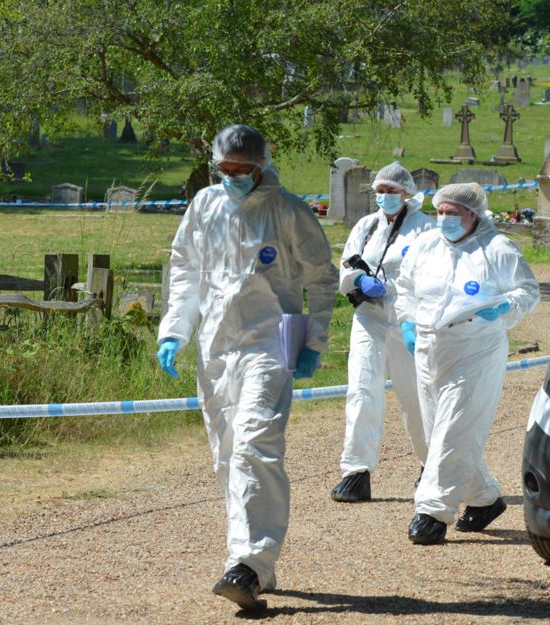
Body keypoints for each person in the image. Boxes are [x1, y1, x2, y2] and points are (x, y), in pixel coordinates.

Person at [155, 124, 338, 609]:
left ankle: (250, 563)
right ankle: (254, 562)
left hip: (272, 342)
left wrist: (313, 342)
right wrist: (175, 329)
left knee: (256, 444)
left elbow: (322, 278)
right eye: (226, 169)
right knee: (226, 450)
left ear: (261, 165)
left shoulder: (289, 211)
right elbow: (184, 269)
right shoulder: (205, 205)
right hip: (216, 345)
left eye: (243, 170)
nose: (233, 177)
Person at [394, 182, 540, 545]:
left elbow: (527, 290)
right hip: (428, 347)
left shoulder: (497, 248)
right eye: (440, 212)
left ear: (474, 215)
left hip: (476, 347)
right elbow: (406, 288)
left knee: (453, 430)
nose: (444, 219)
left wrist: (506, 306)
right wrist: (408, 323)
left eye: (453, 214)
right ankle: (485, 498)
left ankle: (432, 511)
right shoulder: (427, 245)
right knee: (436, 434)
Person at [331, 162, 436, 503]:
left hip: (408, 323)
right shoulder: (365, 226)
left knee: (415, 398)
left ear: (406, 193)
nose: (385, 197)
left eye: (392, 191)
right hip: (369, 319)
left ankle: (431, 465)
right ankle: (356, 472)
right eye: (380, 191)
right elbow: (346, 265)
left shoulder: (425, 229)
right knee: (362, 391)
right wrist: (359, 280)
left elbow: (434, 276)